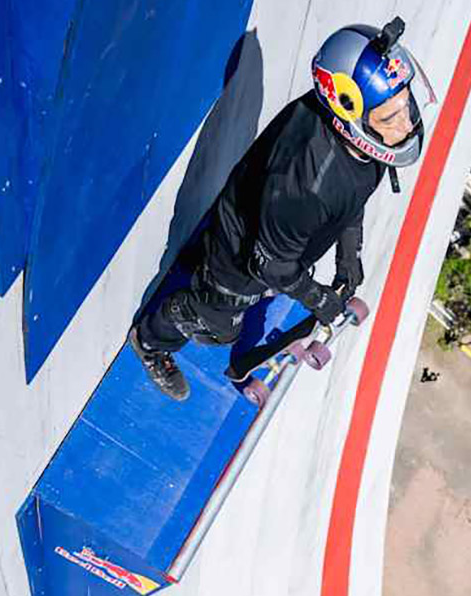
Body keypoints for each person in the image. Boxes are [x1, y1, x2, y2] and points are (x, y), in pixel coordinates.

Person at [130, 19, 431, 401]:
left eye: (404, 104)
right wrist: (317, 298)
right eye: (390, 117)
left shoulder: (361, 141)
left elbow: (352, 198)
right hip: (242, 252)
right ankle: (153, 338)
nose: (405, 124)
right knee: (217, 327)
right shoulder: (308, 187)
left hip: (272, 227)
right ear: (348, 110)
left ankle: (198, 277)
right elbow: (268, 265)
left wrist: (348, 254)